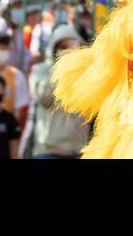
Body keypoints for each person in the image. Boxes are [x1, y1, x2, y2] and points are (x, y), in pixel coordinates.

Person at [28, 25, 90, 158]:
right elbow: (45, 97)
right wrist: (63, 69)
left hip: (78, 151)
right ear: (54, 49)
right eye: (63, 46)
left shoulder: (86, 72)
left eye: (72, 46)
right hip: (49, 152)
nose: (67, 51)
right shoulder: (40, 70)